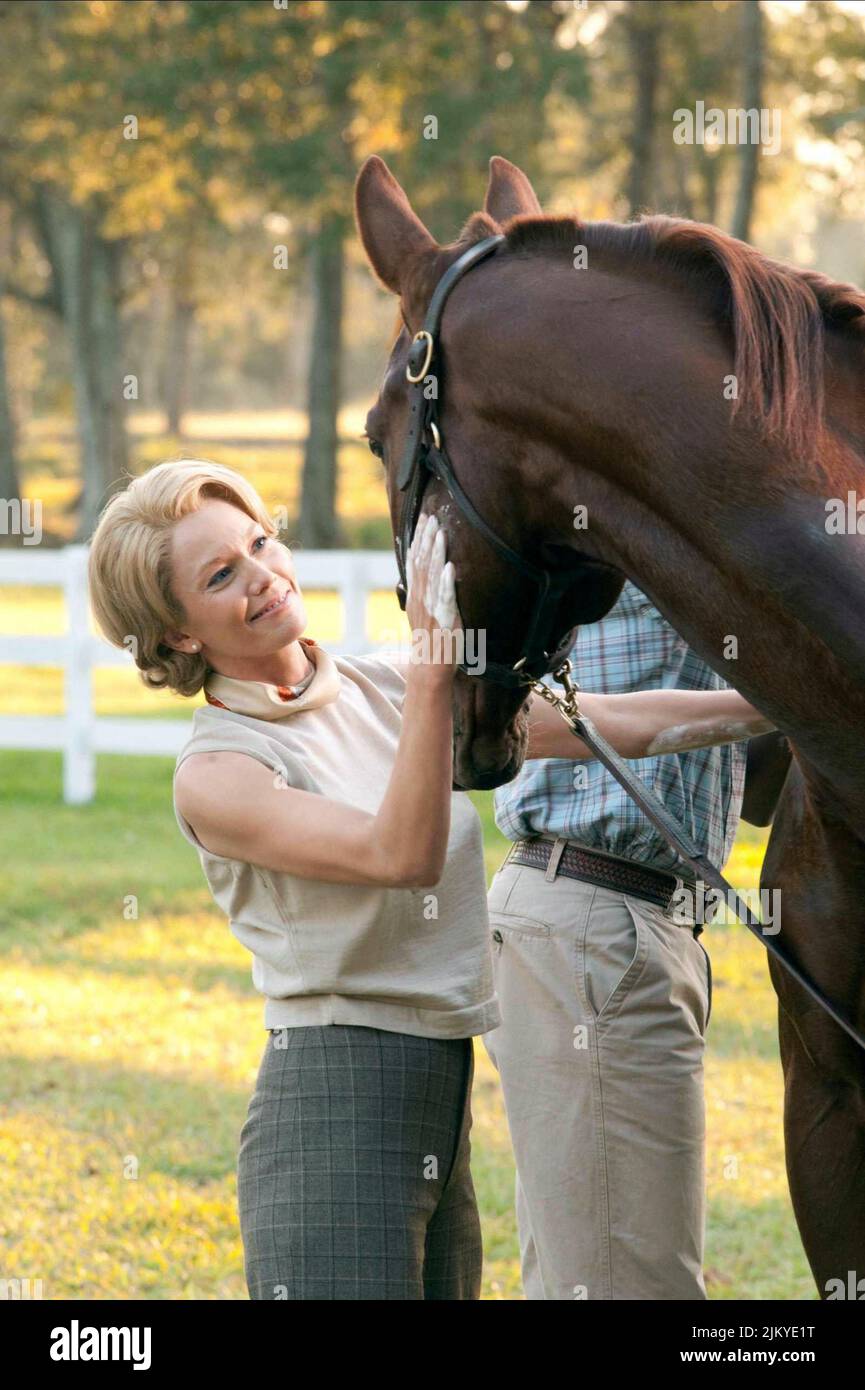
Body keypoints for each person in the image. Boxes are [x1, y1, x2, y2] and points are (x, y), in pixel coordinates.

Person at [87, 459, 774, 1300]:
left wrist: (790, 703)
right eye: (222, 575)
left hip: (440, 1088)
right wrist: (430, 672)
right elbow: (397, 855)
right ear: (178, 634)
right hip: (335, 1093)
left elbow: (614, 724)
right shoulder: (221, 770)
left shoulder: (376, 687)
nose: (265, 576)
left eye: (260, 543)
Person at [484, 578, 766, 1300]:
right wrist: (803, 696)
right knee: (630, 1284)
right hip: (597, 912)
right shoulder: (654, 517)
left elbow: (759, 795)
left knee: (590, 1268)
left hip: (619, 916)